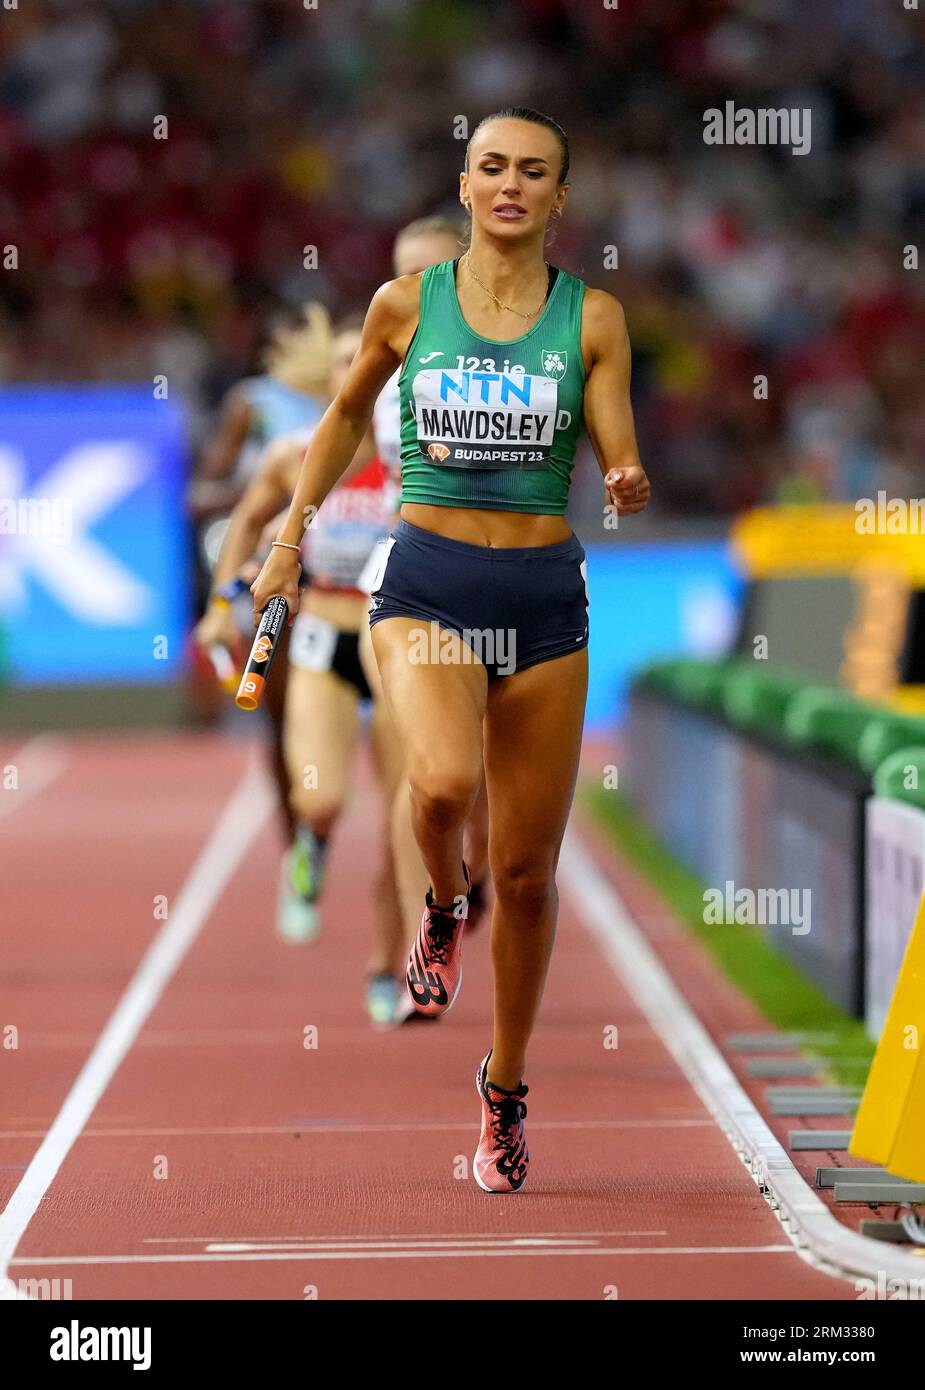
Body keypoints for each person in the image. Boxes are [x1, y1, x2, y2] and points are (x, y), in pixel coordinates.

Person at [252, 106, 650, 1190]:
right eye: (491, 167)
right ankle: (437, 904)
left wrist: (623, 475)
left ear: (560, 198)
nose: (511, 184)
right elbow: (338, 421)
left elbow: (615, 442)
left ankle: (504, 1088)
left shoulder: (594, 319)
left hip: (540, 592)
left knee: (524, 876)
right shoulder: (405, 305)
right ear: (464, 185)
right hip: (425, 581)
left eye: (534, 171)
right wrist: (288, 542)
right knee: (437, 786)